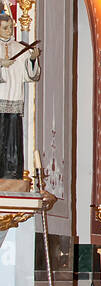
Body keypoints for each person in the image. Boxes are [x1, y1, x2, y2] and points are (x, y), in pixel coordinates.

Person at [0, 16, 41, 183]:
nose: (8, 31)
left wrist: (32, 59)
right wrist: (2, 64)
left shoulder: (20, 48)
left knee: (12, 141)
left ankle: (11, 176)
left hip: (14, 100)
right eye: (4, 27)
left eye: (10, 27)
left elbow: (31, 76)